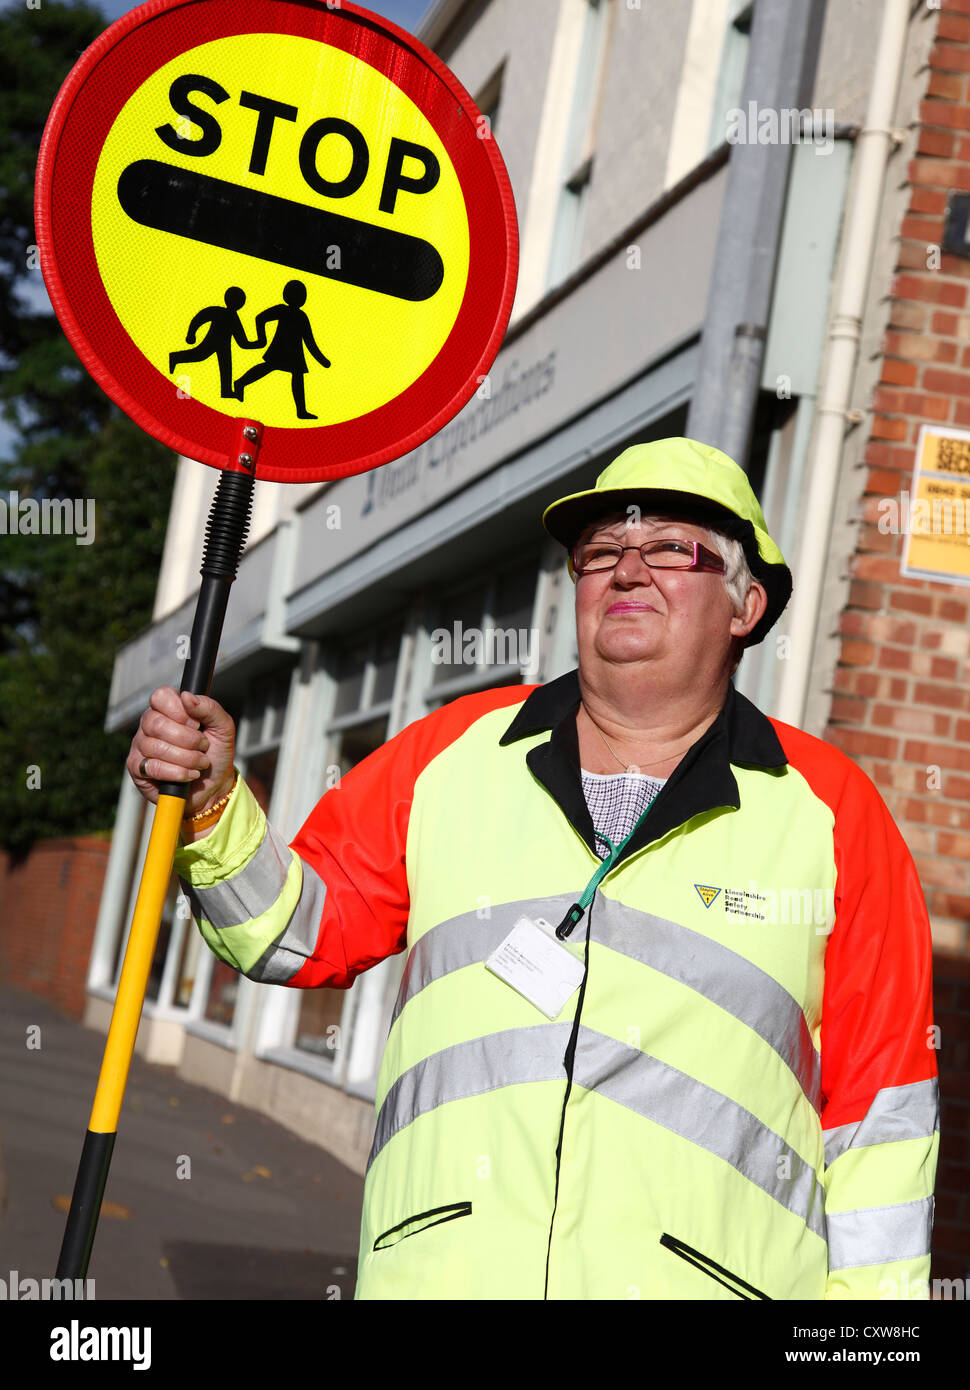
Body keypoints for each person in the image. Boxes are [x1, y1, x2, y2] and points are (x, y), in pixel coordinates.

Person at [128, 436, 939, 1301]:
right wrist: (213, 807)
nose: (627, 571)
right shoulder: (448, 754)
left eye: (669, 547)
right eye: (600, 553)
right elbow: (289, 931)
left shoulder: (832, 814)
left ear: (745, 605)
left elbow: (882, 1124)